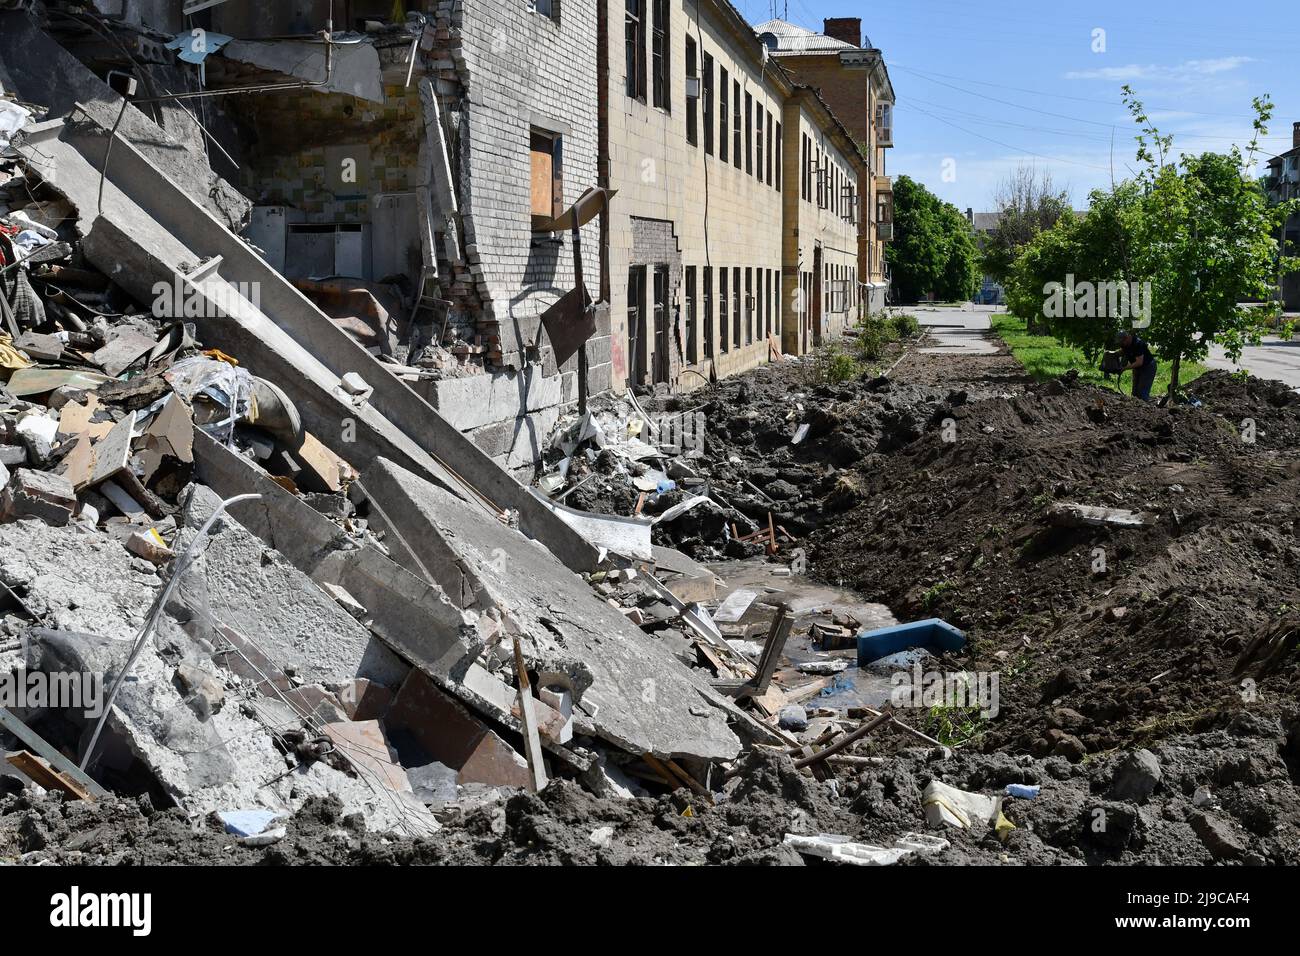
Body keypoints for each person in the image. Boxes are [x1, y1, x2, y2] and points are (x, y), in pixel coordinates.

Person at [1118, 330, 1157, 401]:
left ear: (1127, 338)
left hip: (1148, 367)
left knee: (1142, 392)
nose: (1122, 344)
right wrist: (1113, 354)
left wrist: (1124, 368)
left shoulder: (1138, 344)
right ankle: (1134, 409)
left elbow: (1139, 362)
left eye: (1122, 341)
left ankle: (1144, 408)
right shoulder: (1125, 344)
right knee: (1135, 393)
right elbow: (1122, 352)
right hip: (1137, 368)